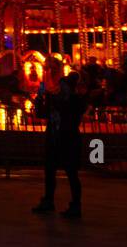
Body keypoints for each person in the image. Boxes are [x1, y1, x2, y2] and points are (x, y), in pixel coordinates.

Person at [31, 57, 88, 219]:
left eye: (51, 68)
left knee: (71, 171)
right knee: (49, 169)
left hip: (68, 135)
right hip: (54, 134)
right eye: (47, 68)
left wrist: (50, 96)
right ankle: (48, 200)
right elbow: (43, 114)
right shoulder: (52, 93)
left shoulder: (70, 96)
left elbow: (67, 108)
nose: (48, 71)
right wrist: (39, 100)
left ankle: (76, 204)